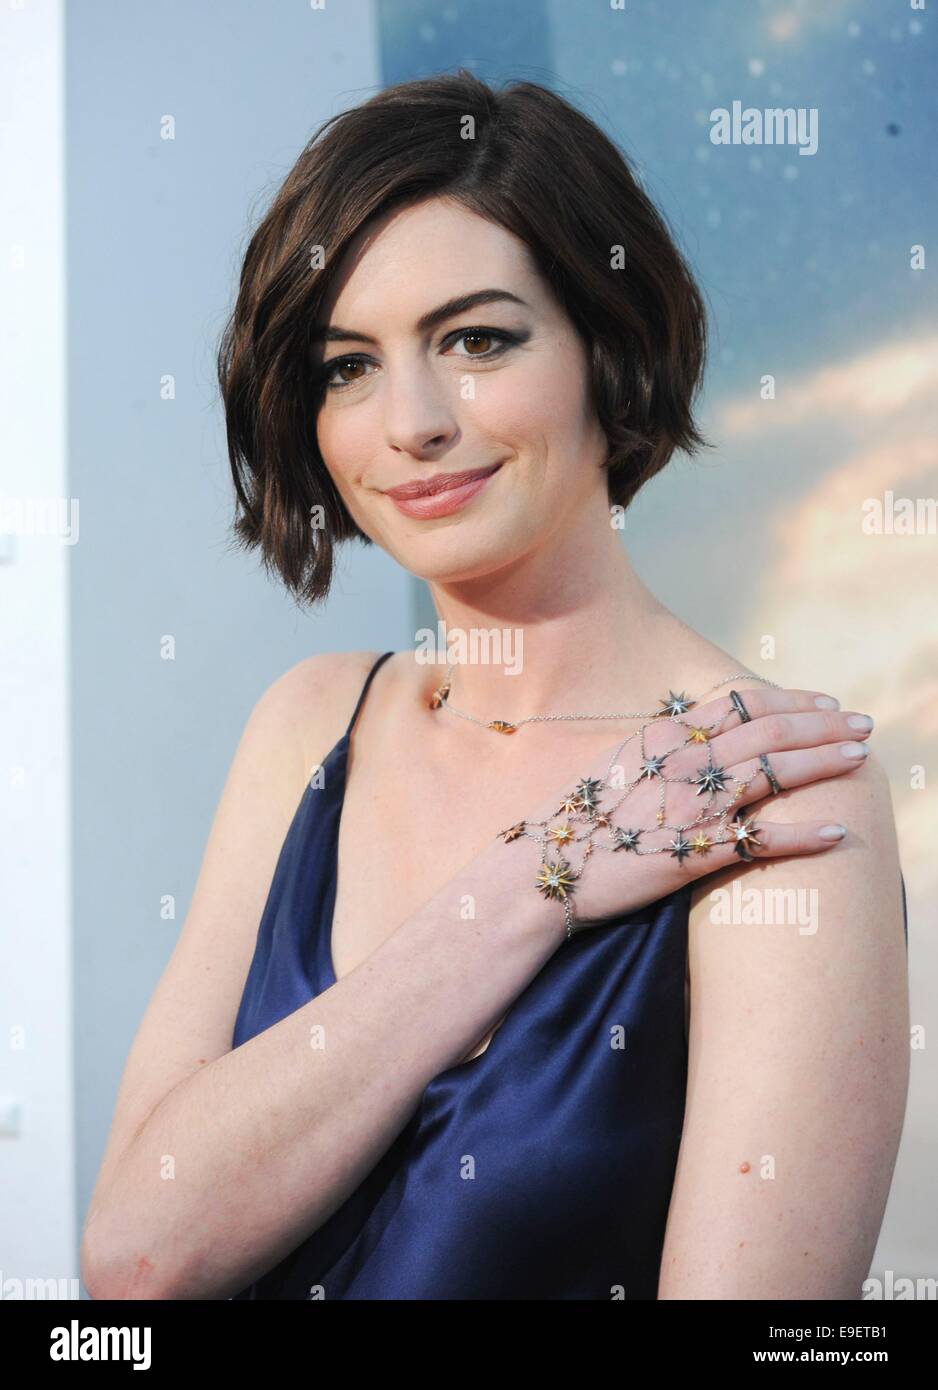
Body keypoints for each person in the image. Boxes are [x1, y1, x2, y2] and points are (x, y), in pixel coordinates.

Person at [81, 70, 909, 1301]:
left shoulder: (769, 800)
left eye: (476, 340)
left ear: (606, 351)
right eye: (345, 365)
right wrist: (531, 881)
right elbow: (139, 1262)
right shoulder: (311, 724)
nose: (408, 421)